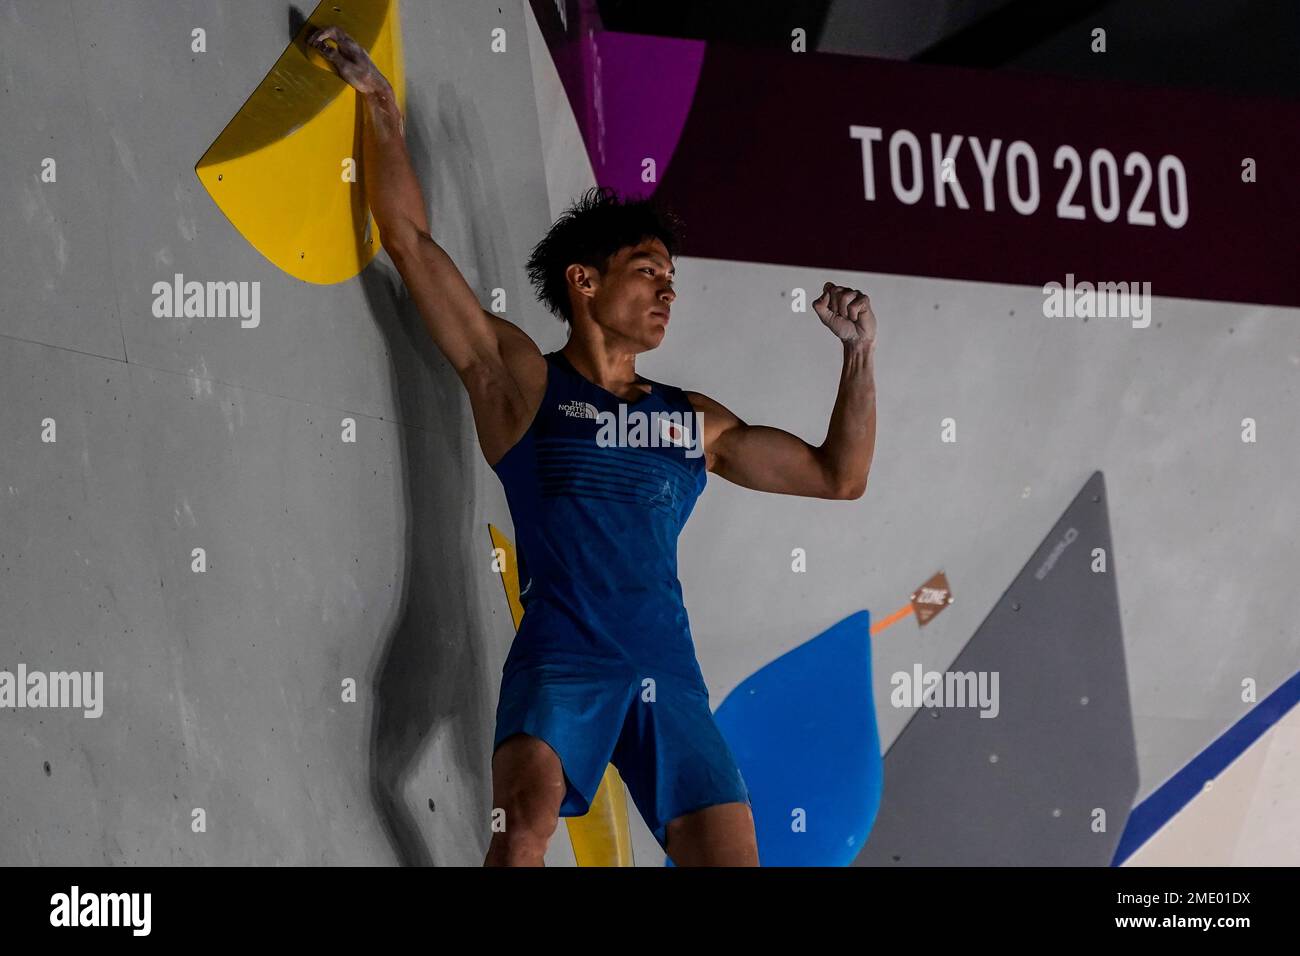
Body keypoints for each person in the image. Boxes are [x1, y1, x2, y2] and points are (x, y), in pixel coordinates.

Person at [308, 25, 877, 867]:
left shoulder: (694, 421)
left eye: (673, 281)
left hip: (668, 674)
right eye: (650, 271)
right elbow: (412, 245)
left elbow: (840, 478)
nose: (668, 292)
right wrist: (380, 107)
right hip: (562, 661)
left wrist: (858, 353)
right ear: (584, 281)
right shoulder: (518, 383)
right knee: (523, 828)